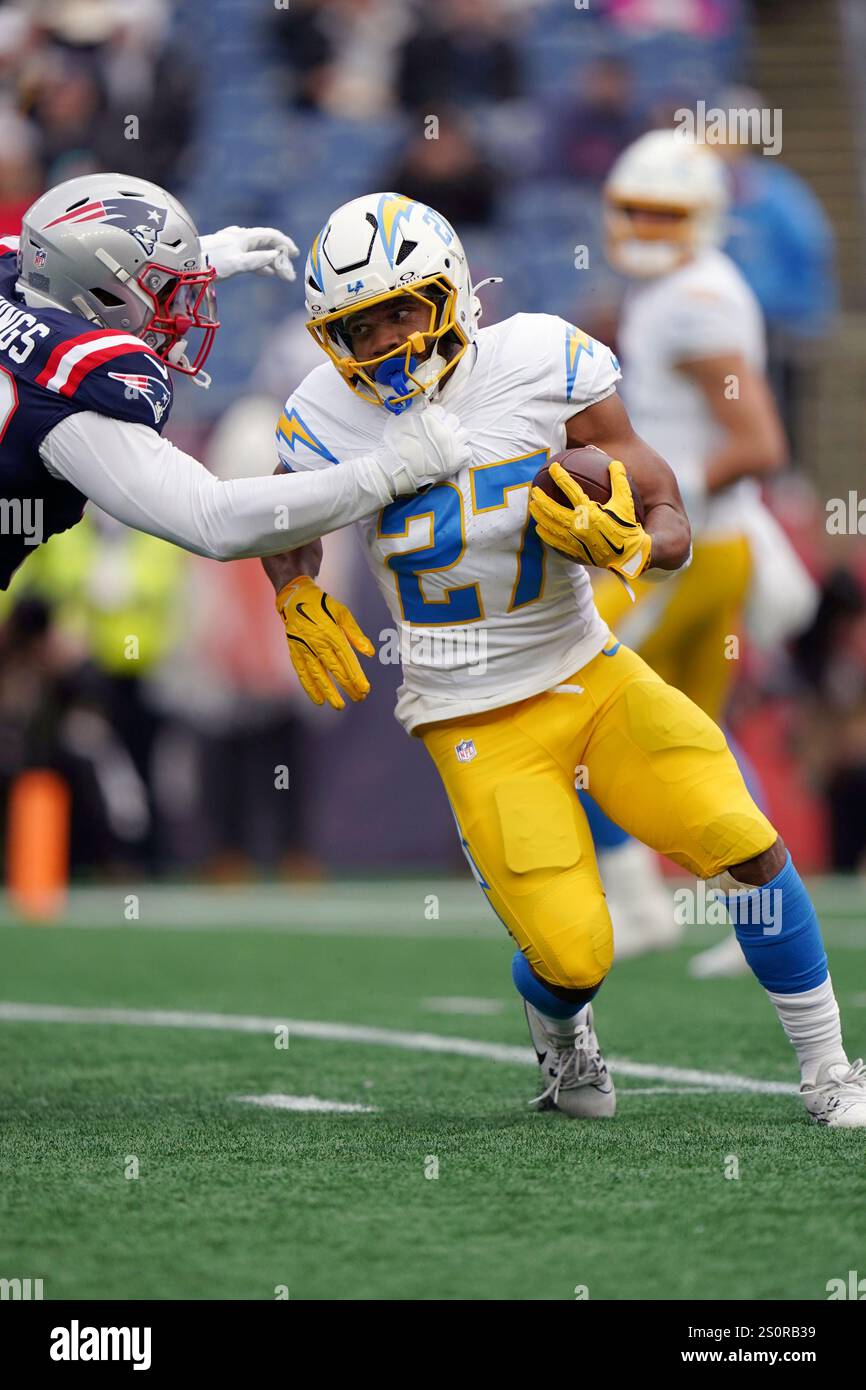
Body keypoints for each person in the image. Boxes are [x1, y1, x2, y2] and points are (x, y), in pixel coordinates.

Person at [264, 191, 865, 1127]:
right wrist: (292, 589)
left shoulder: (542, 357)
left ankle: (830, 1068)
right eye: (357, 326)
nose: (384, 341)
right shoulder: (318, 414)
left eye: (400, 312)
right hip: (469, 716)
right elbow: (282, 519)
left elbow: (663, 502)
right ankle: (564, 1038)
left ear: (453, 292)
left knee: (739, 837)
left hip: (586, 665)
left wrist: (632, 540)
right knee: (575, 953)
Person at [0, 172, 471, 592]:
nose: (183, 315)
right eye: (166, 292)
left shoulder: (17, 271)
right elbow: (213, 520)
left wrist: (194, 256)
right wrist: (389, 471)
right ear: (103, 296)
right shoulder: (70, 390)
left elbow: (53, 258)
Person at [586, 129, 818, 966]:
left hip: (683, 552)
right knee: (697, 737)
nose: (647, 228)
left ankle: (639, 899)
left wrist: (660, 495)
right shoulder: (682, 286)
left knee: (567, 689)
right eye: (635, 212)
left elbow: (759, 443)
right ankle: (753, 905)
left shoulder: (695, 298)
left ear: (706, 217)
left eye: (665, 213)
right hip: (705, 549)